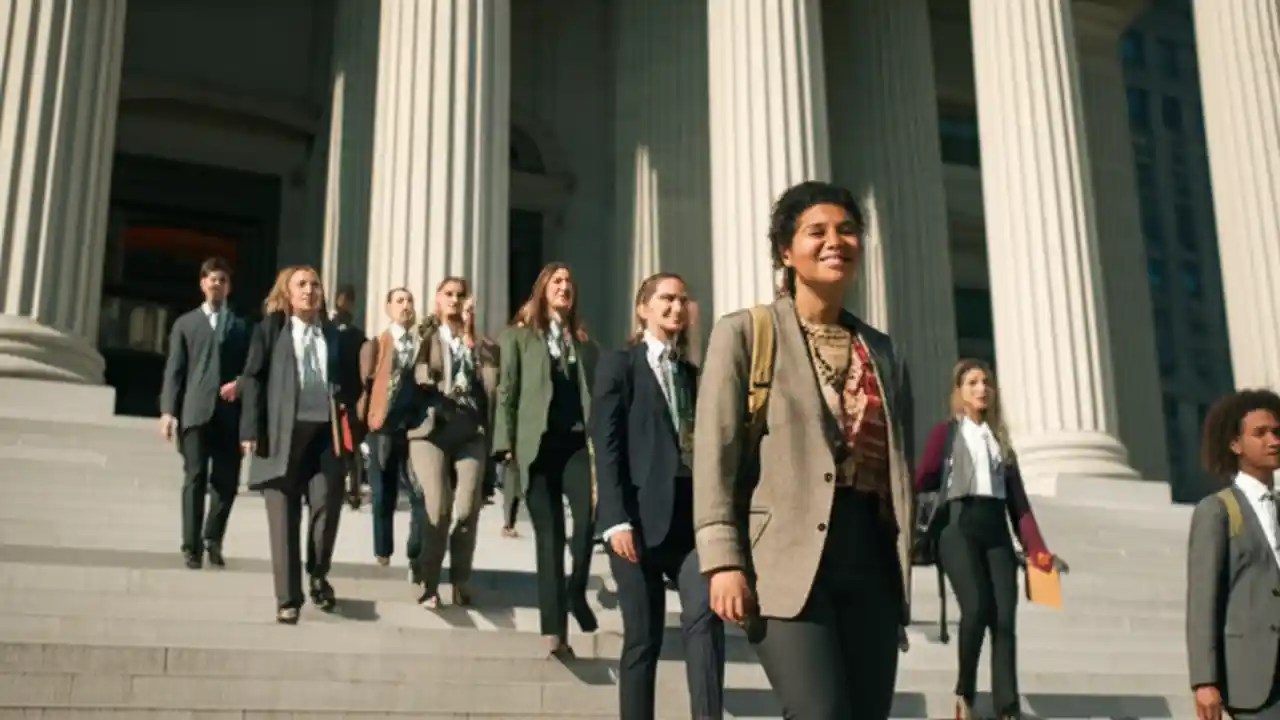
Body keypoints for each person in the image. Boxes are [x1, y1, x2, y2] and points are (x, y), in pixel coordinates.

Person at [694, 181, 916, 719]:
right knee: (818, 713)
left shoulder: (882, 350)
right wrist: (723, 561)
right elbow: (715, 455)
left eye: (847, 230)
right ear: (785, 252)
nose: (835, 241)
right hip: (786, 561)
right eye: (816, 232)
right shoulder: (746, 333)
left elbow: (899, 468)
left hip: (871, 561)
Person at [592, 272, 725, 719]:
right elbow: (606, 447)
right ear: (643, 308)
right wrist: (614, 520)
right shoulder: (619, 366)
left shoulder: (694, 374)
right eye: (666, 299)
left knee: (705, 620)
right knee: (643, 637)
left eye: (682, 300)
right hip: (637, 523)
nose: (675, 307)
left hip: (690, 523)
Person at [915, 359, 1056, 720]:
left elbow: (1019, 503)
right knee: (976, 607)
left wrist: (1037, 549)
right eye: (973, 382)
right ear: (960, 392)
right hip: (957, 527)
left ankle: (1007, 707)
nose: (982, 388)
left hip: (996, 530)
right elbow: (921, 479)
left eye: (986, 382)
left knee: (1005, 619)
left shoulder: (1000, 442)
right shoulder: (946, 434)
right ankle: (965, 692)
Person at [239, 266, 362, 624]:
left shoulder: (335, 336)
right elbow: (253, 378)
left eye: (315, 285)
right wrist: (250, 430)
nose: (310, 290)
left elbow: (351, 384)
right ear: (288, 293)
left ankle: (318, 574)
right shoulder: (271, 330)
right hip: (281, 435)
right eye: (302, 285)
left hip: (325, 436)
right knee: (283, 519)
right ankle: (288, 598)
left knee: (327, 508)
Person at [493, 262, 599, 657]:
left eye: (569, 281)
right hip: (536, 449)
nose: (564, 286)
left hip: (574, 446)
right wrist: (504, 445)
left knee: (588, 525)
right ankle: (554, 632)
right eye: (557, 281)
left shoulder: (584, 344)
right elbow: (507, 390)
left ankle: (575, 592)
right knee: (550, 537)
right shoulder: (519, 339)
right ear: (542, 290)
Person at [1187, 389, 1280, 720]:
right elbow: (1203, 602)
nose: (1274, 440)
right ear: (1235, 444)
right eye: (1260, 433)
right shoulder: (1217, 511)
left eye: (1277, 432)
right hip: (1253, 680)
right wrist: (1204, 680)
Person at [408, 278, 500, 608]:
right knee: (438, 506)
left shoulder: (484, 346)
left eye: (461, 295)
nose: (455, 301)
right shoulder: (426, 339)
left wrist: (471, 340)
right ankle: (429, 584)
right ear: (437, 300)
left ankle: (460, 579)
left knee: (467, 509)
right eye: (448, 295)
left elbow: (490, 389)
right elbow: (417, 375)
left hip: (469, 431)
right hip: (430, 431)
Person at [160, 257, 252, 569]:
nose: (217, 284)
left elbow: (252, 370)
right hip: (195, 413)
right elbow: (175, 369)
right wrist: (168, 411)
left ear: (229, 287)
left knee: (227, 482)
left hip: (230, 415)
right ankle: (191, 546)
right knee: (195, 478)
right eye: (212, 279)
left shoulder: (241, 325)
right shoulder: (185, 324)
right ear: (203, 284)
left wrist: (240, 385)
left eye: (223, 280)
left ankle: (213, 537)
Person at [357, 287, 420, 568]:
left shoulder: (422, 344)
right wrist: (363, 432)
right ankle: (383, 550)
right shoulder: (377, 345)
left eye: (409, 301)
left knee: (419, 491)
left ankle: (416, 547)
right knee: (383, 492)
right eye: (399, 301)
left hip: (414, 428)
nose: (405, 306)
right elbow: (365, 388)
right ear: (388, 308)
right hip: (381, 427)